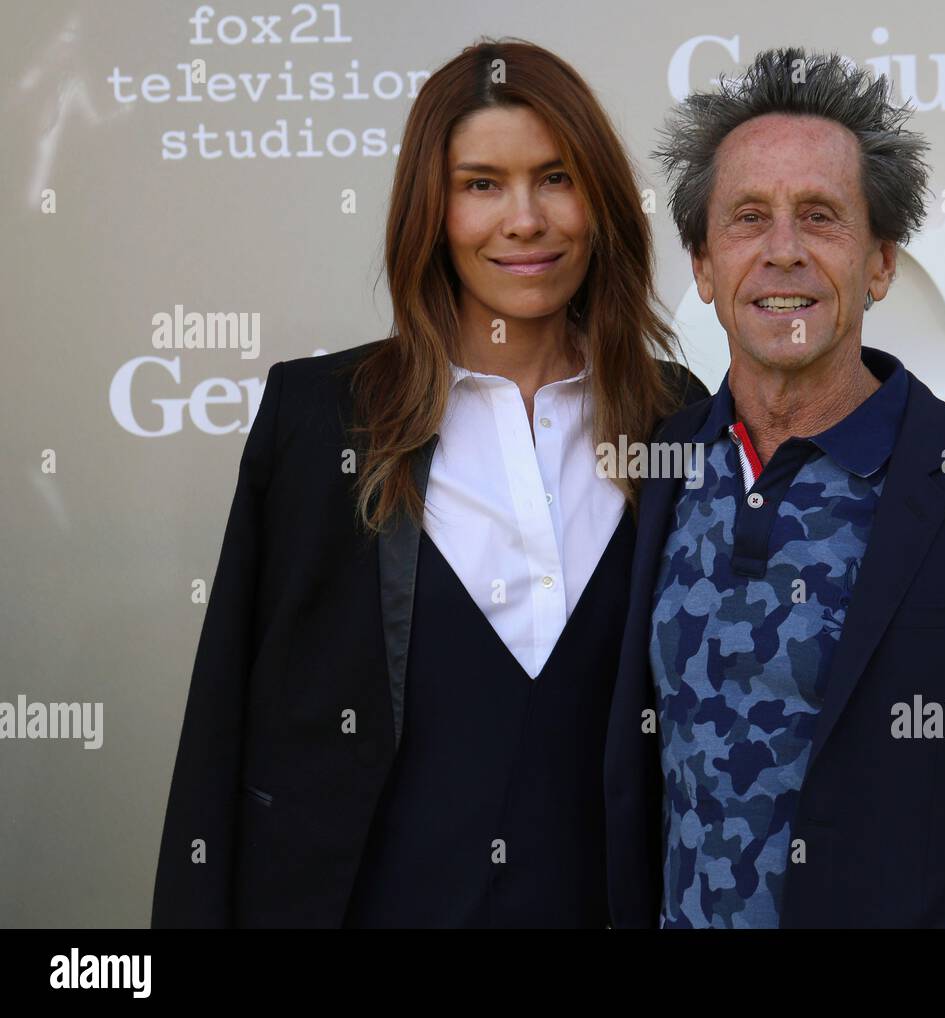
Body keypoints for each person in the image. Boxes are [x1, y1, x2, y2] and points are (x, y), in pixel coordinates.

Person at [151, 37, 706, 928]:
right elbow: (223, 714)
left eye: (556, 178)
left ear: (602, 201)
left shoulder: (680, 419)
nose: (524, 220)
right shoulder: (321, 416)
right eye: (481, 184)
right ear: (431, 211)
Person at [604, 47, 945, 928]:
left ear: (879, 265)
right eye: (749, 218)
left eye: (822, 217)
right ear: (704, 267)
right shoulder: (653, 467)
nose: (784, 252)